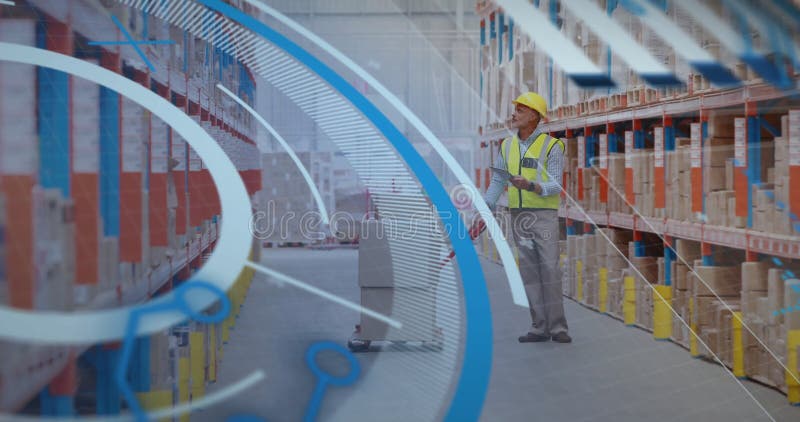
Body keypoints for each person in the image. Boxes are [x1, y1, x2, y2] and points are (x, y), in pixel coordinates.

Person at [473, 92, 571, 344]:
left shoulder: (552, 146)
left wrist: (531, 186)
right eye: (514, 108)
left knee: (549, 268)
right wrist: (486, 208)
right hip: (519, 216)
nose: (514, 114)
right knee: (528, 271)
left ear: (535, 116)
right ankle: (539, 327)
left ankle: (558, 327)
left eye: (520, 110)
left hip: (543, 216)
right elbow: (497, 181)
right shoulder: (507, 146)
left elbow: (555, 185)